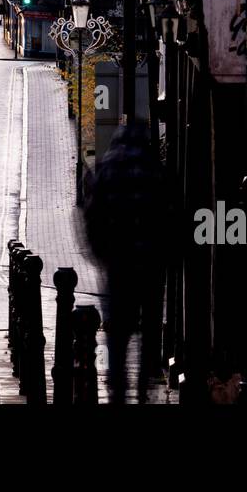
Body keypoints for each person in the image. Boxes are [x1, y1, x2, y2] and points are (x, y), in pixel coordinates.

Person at [83, 124, 168, 403]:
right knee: (150, 329)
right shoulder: (154, 169)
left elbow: (93, 214)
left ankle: (117, 389)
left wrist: (101, 253)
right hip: (151, 264)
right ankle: (145, 387)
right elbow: (170, 214)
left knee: (118, 331)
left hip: (119, 264)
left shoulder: (108, 168)